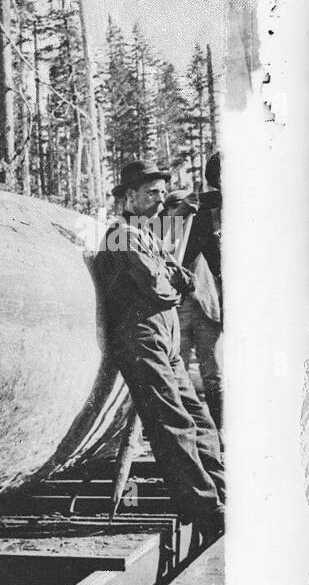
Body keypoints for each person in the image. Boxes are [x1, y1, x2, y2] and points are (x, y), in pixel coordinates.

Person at [93, 160, 225, 532]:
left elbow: (181, 277)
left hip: (165, 336)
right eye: (152, 193)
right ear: (129, 196)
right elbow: (161, 287)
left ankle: (224, 492)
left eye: (162, 192)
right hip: (142, 337)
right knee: (173, 423)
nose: (160, 199)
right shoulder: (119, 235)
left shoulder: (147, 234)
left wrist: (171, 277)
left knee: (199, 419)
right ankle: (205, 509)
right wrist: (171, 279)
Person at [178, 153, 223, 427]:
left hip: (223, 304)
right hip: (198, 303)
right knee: (194, 372)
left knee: (217, 374)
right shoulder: (205, 211)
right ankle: (202, 433)